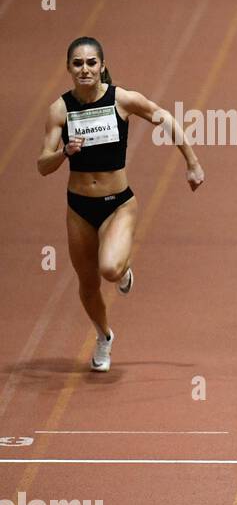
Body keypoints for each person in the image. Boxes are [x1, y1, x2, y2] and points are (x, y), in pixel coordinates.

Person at [37, 36, 204, 372]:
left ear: (101, 66)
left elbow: (164, 117)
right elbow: (42, 165)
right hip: (79, 207)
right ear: (69, 68)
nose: (84, 69)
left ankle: (124, 268)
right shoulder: (60, 110)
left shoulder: (121, 100)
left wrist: (192, 162)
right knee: (87, 284)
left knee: (110, 268)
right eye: (77, 63)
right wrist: (63, 152)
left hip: (118, 204)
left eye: (91, 63)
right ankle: (104, 336)